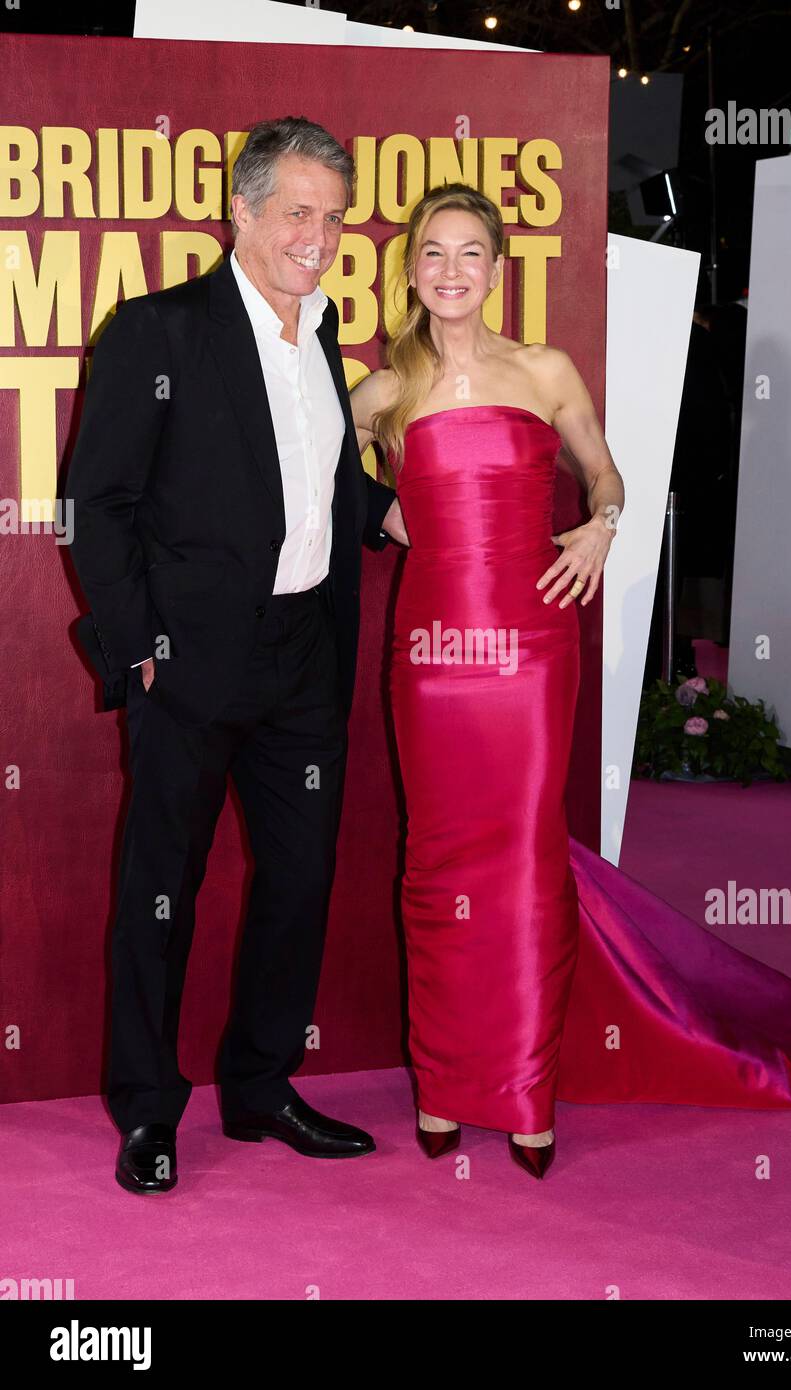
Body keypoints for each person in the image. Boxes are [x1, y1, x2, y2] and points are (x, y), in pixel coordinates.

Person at [351, 183, 791, 1180]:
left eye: (469, 252)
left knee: (520, 862)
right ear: (411, 269)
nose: (450, 271)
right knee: (434, 865)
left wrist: (600, 522)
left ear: (496, 266)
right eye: (432, 253)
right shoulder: (382, 391)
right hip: (431, 655)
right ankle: (442, 1083)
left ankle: (520, 1092)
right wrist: (383, 518)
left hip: (528, 647)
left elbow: (605, 473)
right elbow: (323, 488)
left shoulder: (546, 368)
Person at [63, 118, 404, 1195]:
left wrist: (396, 513)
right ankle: (148, 1109)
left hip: (304, 653)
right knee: (161, 889)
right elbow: (96, 506)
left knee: (298, 883)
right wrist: (136, 648)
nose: (321, 234)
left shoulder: (326, 330)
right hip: (188, 659)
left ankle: (261, 1087)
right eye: (299, 211)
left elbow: (314, 485)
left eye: (335, 215)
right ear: (242, 213)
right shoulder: (156, 332)